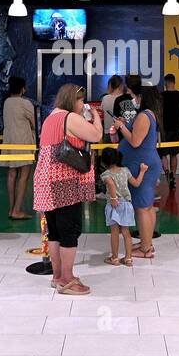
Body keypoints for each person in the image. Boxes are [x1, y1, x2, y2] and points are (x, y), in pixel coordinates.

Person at [32, 83, 103, 294]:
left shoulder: (51, 117)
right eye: (81, 100)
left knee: (54, 232)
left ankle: (57, 276)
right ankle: (68, 279)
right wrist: (96, 116)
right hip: (65, 182)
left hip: (47, 182)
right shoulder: (70, 118)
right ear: (72, 100)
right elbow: (96, 135)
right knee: (69, 232)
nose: (83, 104)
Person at [112, 84, 163, 258]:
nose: (132, 99)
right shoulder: (148, 115)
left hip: (143, 165)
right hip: (145, 163)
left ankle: (145, 249)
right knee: (147, 206)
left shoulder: (144, 116)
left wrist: (121, 127)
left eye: (134, 95)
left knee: (142, 207)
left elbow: (135, 141)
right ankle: (146, 242)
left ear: (142, 97)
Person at [99, 147, 147, 267]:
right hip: (126, 204)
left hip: (114, 205)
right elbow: (136, 183)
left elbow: (110, 183)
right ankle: (128, 258)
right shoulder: (125, 170)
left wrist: (114, 198)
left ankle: (115, 258)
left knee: (114, 232)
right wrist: (142, 171)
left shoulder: (105, 174)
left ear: (104, 162)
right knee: (126, 232)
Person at [0, 76, 36, 220]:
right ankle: (17, 210)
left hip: (9, 141)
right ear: (23, 88)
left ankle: (11, 209)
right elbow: (35, 123)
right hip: (23, 141)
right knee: (24, 176)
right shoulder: (25, 103)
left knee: (11, 174)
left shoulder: (7, 102)